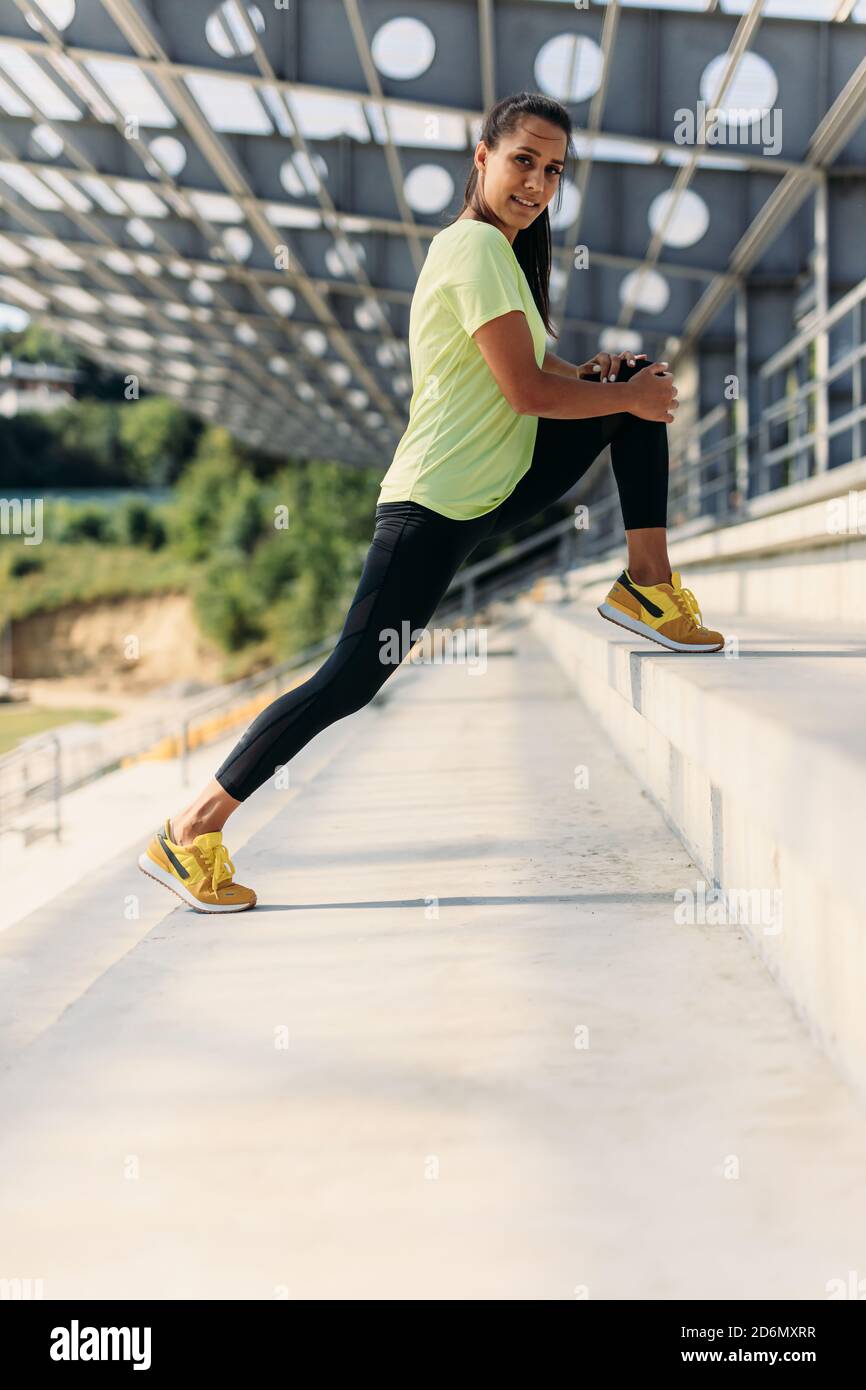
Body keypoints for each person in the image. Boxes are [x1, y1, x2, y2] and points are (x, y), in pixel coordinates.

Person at [138, 90, 724, 914]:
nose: (538, 182)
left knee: (632, 384)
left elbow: (544, 376)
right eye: (523, 160)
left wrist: (602, 382)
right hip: (436, 503)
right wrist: (617, 399)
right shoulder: (474, 249)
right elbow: (523, 393)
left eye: (553, 169)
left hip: (494, 485)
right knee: (350, 677)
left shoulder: (505, 259)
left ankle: (646, 587)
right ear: (481, 158)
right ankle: (190, 827)